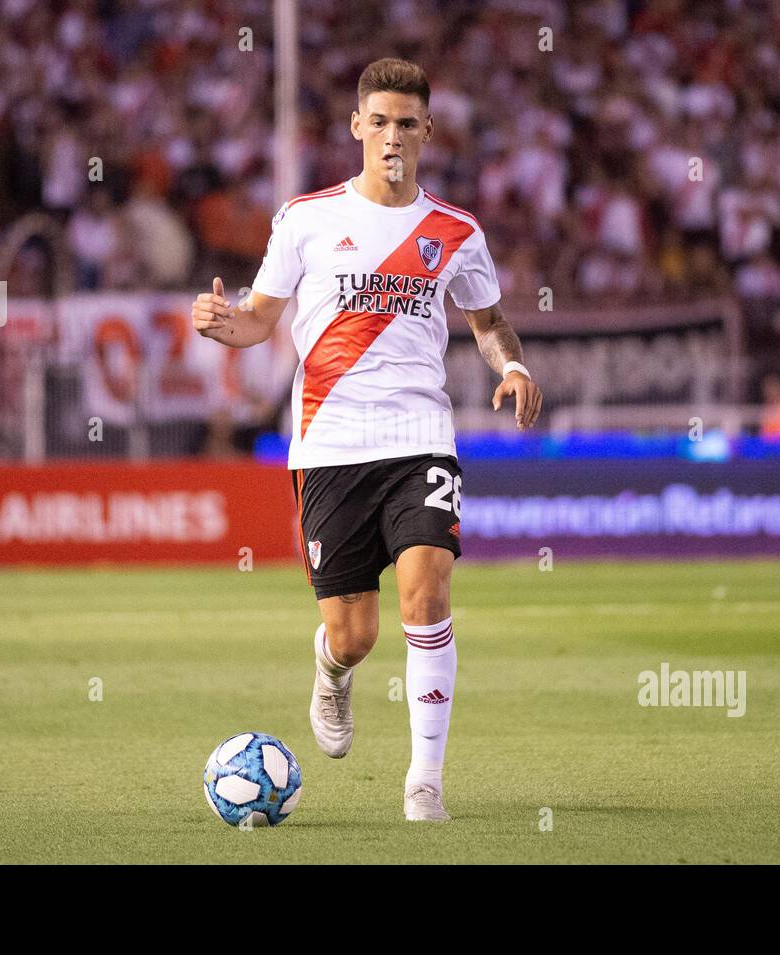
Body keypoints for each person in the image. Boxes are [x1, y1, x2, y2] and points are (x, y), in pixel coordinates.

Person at [191, 58, 542, 822]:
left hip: (421, 437)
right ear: (356, 127)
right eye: (378, 121)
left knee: (428, 592)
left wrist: (510, 363)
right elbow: (259, 316)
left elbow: (488, 321)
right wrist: (226, 325)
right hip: (329, 447)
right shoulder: (306, 218)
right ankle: (331, 667)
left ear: (427, 132)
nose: (392, 136)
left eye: (406, 124)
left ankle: (425, 781)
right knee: (354, 633)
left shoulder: (455, 231)